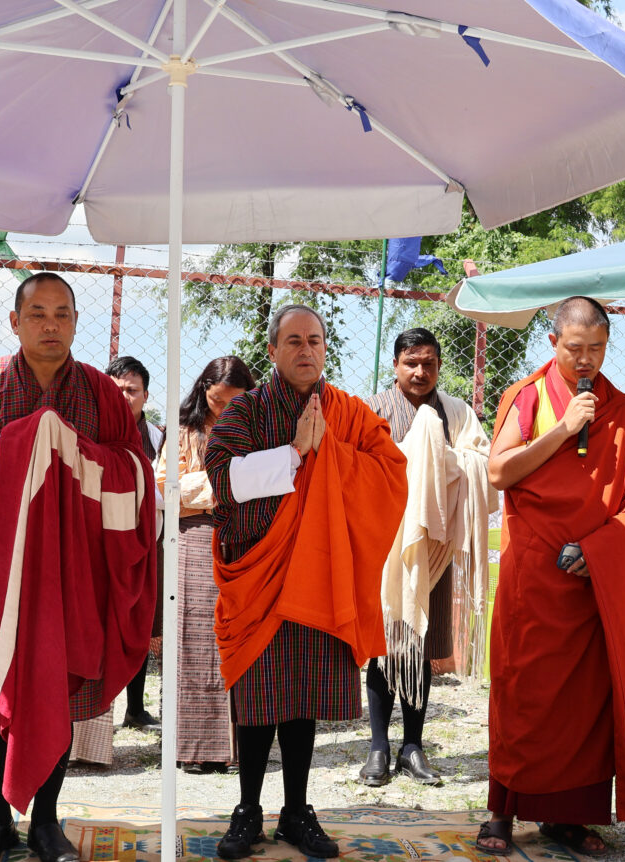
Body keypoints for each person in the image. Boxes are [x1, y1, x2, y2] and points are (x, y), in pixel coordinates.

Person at [0, 273, 156, 862]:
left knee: (59, 682)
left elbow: (134, 469)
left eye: (61, 314)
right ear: (15, 321)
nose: (50, 325)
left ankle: (49, 819)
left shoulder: (102, 392)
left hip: (72, 567)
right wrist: (28, 446)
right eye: (38, 314)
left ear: (76, 322)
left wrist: (69, 454)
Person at [205, 305, 407, 860]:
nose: (305, 350)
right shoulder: (245, 409)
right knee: (257, 697)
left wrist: (330, 454)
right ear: (271, 350)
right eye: (293, 340)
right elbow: (221, 476)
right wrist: (295, 453)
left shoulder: (346, 410)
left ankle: (296, 810)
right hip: (261, 574)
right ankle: (247, 810)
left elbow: (391, 473)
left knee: (302, 700)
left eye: (315, 340)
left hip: (321, 574)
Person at [476, 297, 625, 858]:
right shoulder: (527, 397)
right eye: (574, 349)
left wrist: (601, 549)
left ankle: (569, 817)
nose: (586, 361)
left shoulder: (624, 412)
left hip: (591, 576)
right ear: (553, 343)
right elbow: (500, 471)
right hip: (535, 572)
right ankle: (501, 811)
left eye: (596, 350)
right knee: (523, 692)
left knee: (586, 702)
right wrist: (563, 430)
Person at [359, 328, 495, 788]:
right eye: (410, 362)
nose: (420, 372)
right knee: (383, 646)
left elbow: (484, 465)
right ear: (395, 364)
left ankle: (412, 746)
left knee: (418, 646)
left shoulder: (455, 412)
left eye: (429, 363)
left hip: (434, 549)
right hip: (381, 545)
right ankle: (378, 747)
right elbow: (355, 465)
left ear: (438, 365)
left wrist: (438, 458)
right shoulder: (373, 410)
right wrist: (410, 460)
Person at [155, 355, 254, 774]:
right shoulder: (183, 430)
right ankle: (194, 747)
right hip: (195, 537)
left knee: (241, 634)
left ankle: (236, 745)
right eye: (218, 400)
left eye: (236, 401)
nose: (225, 409)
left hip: (248, 536)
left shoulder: (258, 428)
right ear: (203, 390)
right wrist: (229, 482)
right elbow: (165, 486)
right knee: (194, 635)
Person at [106, 355, 163, 730]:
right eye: (117, 390)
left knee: (142, 620)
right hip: (104, 539)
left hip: (149, 540)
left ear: (145, 395)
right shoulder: (93, 431)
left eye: (132, 390)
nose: (125, 397)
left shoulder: (158, 437)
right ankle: (97, 714)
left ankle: (135, 707)